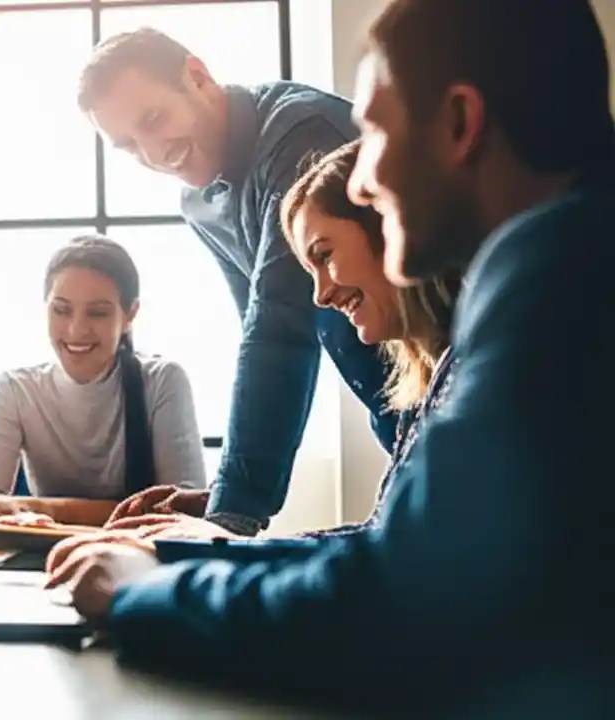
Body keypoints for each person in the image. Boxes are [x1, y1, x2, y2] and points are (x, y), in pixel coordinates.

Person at [47, 0, 615, 707]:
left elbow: (391, 600)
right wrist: (189, 550)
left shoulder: (548, 272)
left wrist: (160, 581)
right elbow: (399, 553)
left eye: (371, 133)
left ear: (461, 124)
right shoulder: (565, 255)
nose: (362, 182)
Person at [49, 141, 459, 556]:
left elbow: (387, 563)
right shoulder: (431, 389)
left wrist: (219, 544)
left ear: (389, 229)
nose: (319, 296)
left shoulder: (469, 377)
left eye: (324, 254)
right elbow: (381, 543)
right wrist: (213, 534)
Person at [79, 28, 396, 536]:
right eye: (129, 147)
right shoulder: (199, 204)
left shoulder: (302, 134)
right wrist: (220, 501)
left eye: (154, 120)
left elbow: (280, 327)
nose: (155, 154)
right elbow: (256, 329)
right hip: (396, 413)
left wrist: (234, 514)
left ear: (198, 77)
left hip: (464, 376)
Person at [0, 235, 207, 527]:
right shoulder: (15, 390)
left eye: (98, 313)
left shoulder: (162, 381)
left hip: (139, 556)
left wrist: (42, 508)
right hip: (42, 554)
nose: (76, 330)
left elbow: (183, 510)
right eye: (61, 310)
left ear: (130, 314)